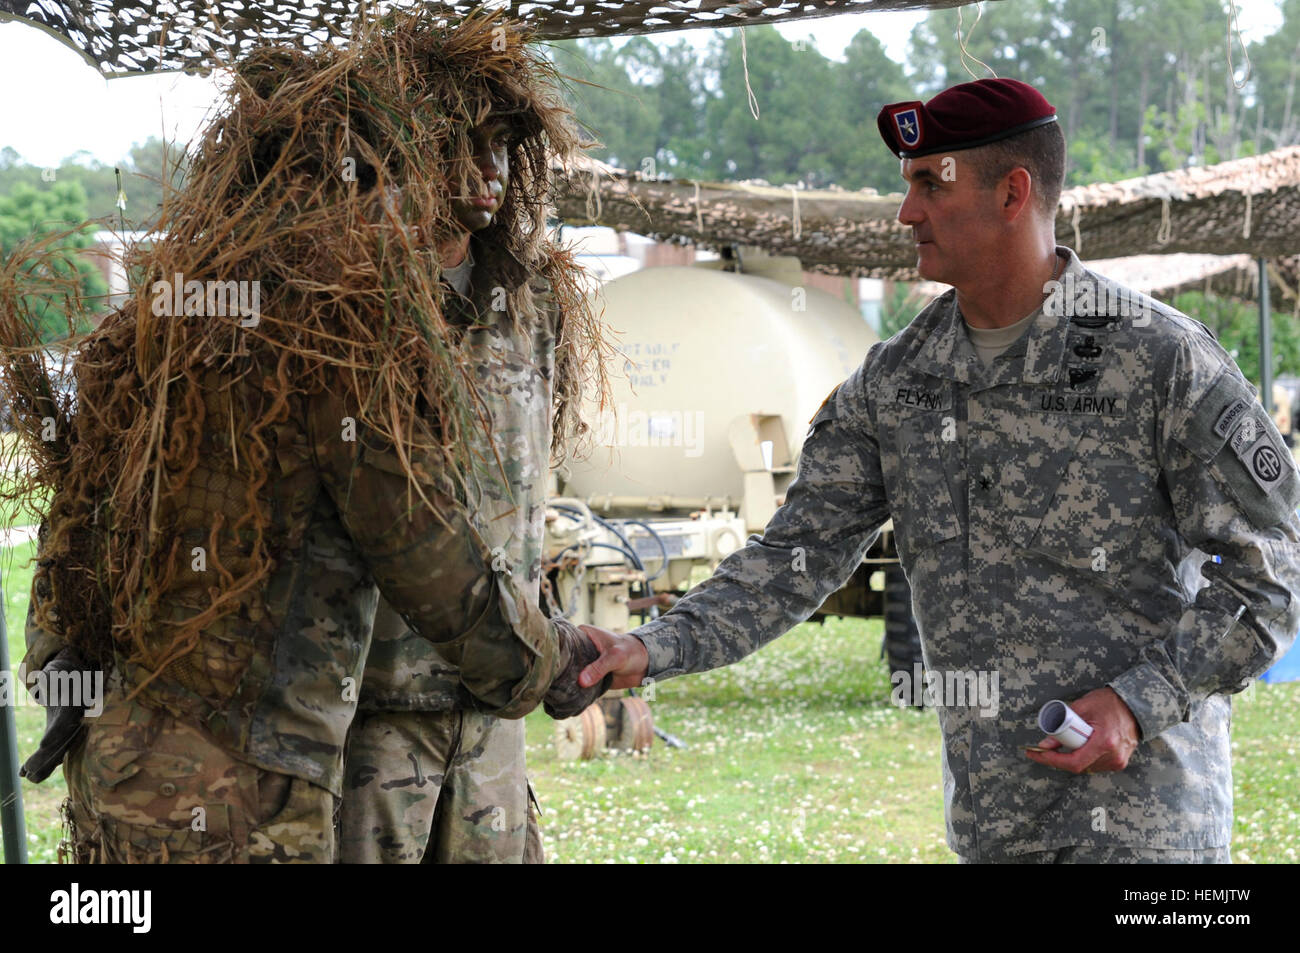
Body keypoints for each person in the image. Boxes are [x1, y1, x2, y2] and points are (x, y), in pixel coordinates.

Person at [575, 78, 1300, 863]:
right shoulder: (897, 381)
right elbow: (796, 554)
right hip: (992, 829)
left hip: (1146, 830)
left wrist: (1136, 703)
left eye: (930, 184)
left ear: (1013, 193)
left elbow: (1275, 568)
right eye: (907, 186)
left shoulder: (1158, 360)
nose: (906, 212)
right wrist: (654, 645)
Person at [12, 12, 607, 864]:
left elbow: (79, 526)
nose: (484, 169)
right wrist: (547, 658)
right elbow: (421, 545)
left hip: (161, 767)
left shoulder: (164, 323)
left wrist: (60, 666)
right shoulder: (331, 333)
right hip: (277, 770)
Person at [338, 90, 566, 865]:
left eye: (500, 144)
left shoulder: (531, 306)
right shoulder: (353, 306)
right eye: (459, 143)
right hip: (380, 709)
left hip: (495, 709)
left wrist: (542, 633)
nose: (486, 168)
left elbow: (536, 490)